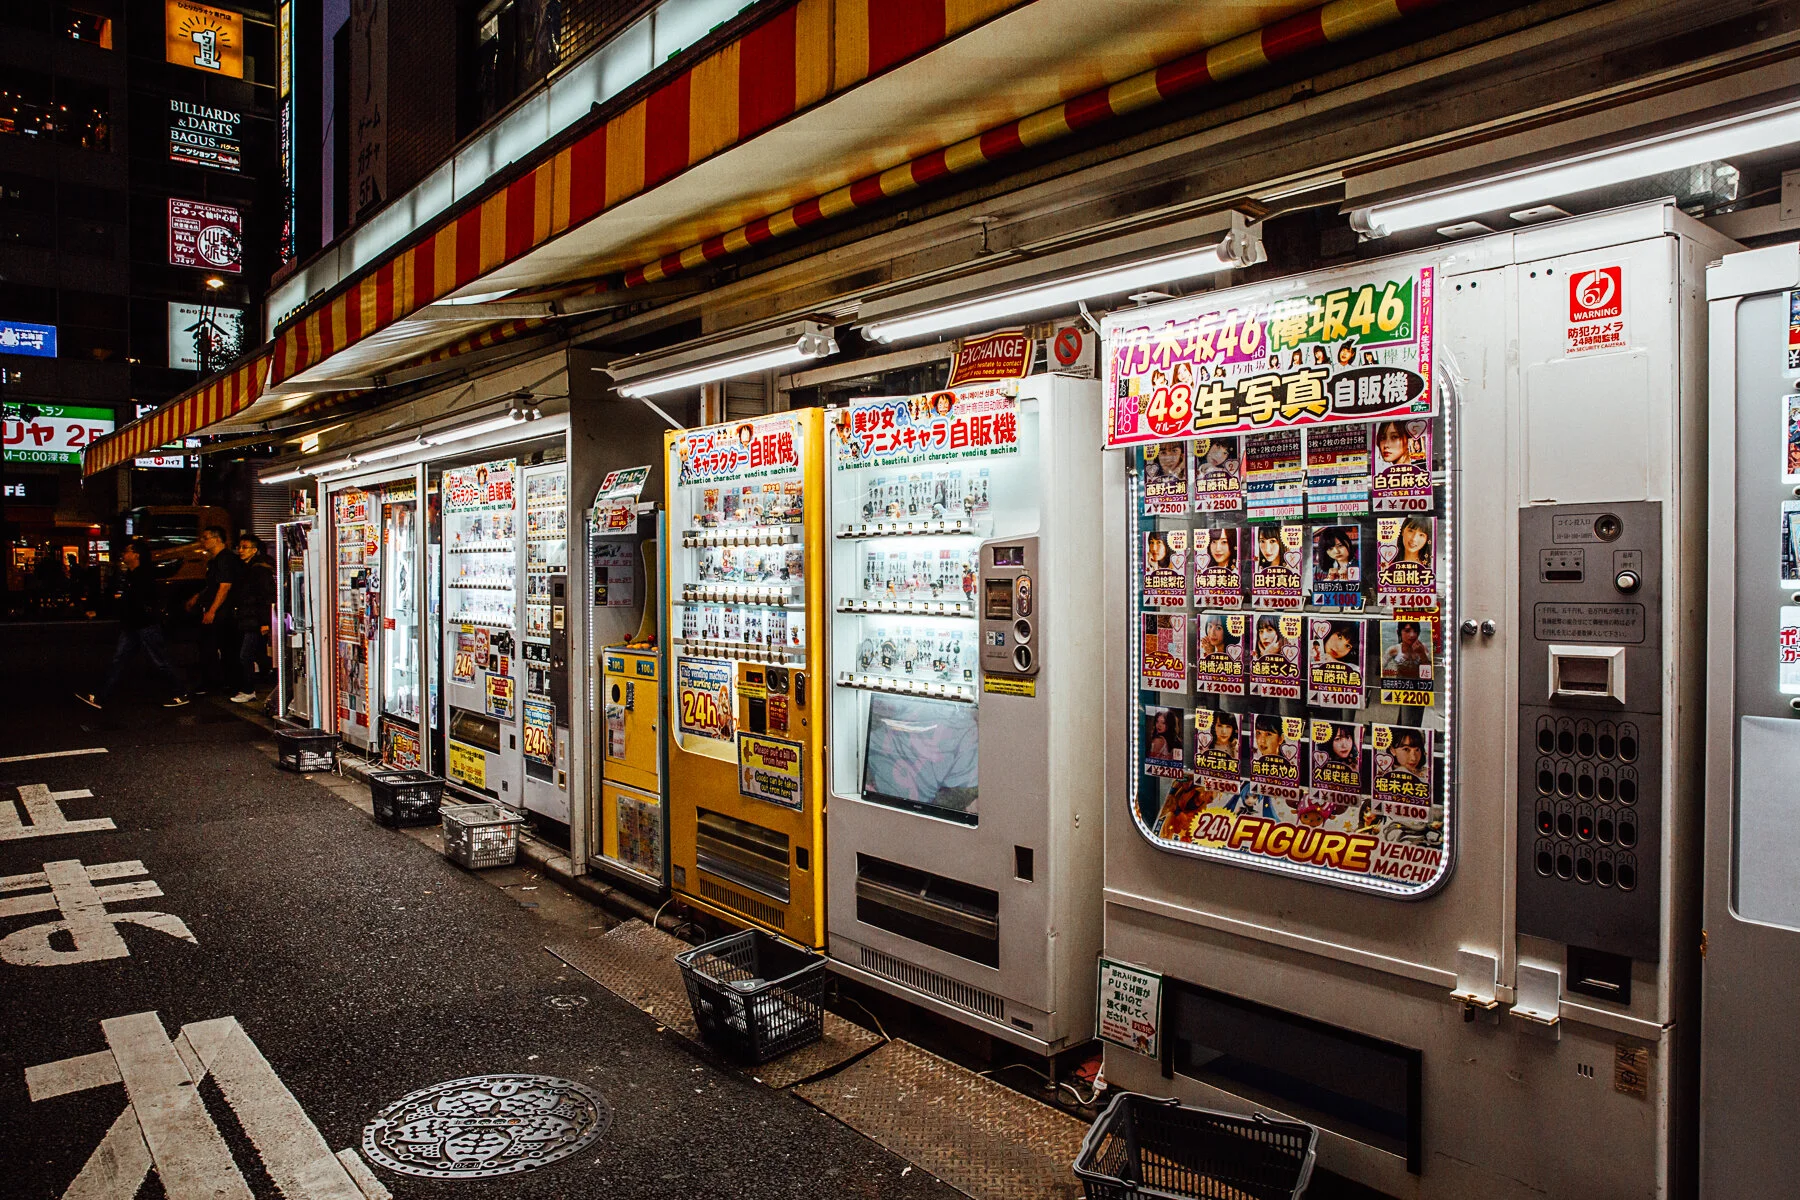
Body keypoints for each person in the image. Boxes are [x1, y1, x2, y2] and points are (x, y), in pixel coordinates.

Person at [77, 540, 189, 709]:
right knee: (120, 660)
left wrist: (106, 611)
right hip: (134, 624)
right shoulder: (132, 574)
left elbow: (134, 602)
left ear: (137, 555)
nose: (124, 553)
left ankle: (181, 691)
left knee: (158, 660)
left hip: (145, 625)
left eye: (127, 551)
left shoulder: (142, 575)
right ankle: (99, 696)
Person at [186, 525, 240, 691]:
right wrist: (198, 597)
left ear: (218, 539)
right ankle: (219, 681)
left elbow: (224, 587)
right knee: (214, 646)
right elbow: (212, 585)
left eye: (206, 537)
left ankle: (219, 682)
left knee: (217, 646)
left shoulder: (225, 559)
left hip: (223, 612)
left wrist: (212, 611)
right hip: (216, 609)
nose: (203, 541)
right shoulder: (214, 560)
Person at [231, 533, 277, 703]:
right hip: (251, 619)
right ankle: (262, 687)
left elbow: (266, 597)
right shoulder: (250, 568)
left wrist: (265, 622)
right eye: (240, 547)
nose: (241, 551)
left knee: (246, 655)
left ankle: (249, 690)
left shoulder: (259, 570)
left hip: (255, 620)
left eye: (245, 547)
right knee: (256, 655)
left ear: (255, 550)